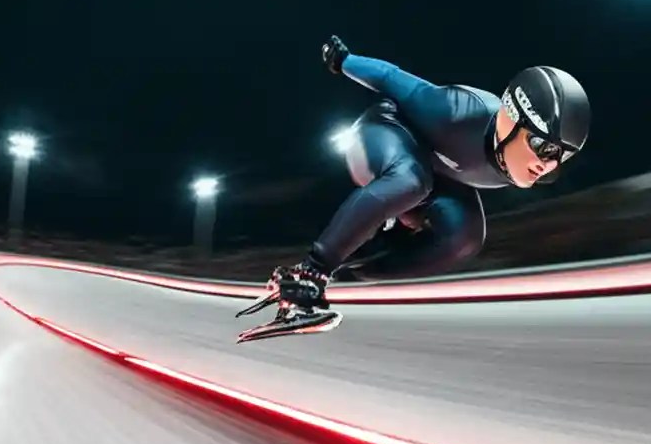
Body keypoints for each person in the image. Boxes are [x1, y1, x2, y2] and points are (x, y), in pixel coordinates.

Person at [241, 35, 591, 339]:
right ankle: (308, 275)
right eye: (545, 147)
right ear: (511, 120)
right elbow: (393, 79)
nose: (548, 164)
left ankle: (348, 274)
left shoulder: (525, 165)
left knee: (466, 237)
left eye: (563, 155)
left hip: (433, 174)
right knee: (412, 180)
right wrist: (343, 61)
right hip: (382, 132)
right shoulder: (457, 110)